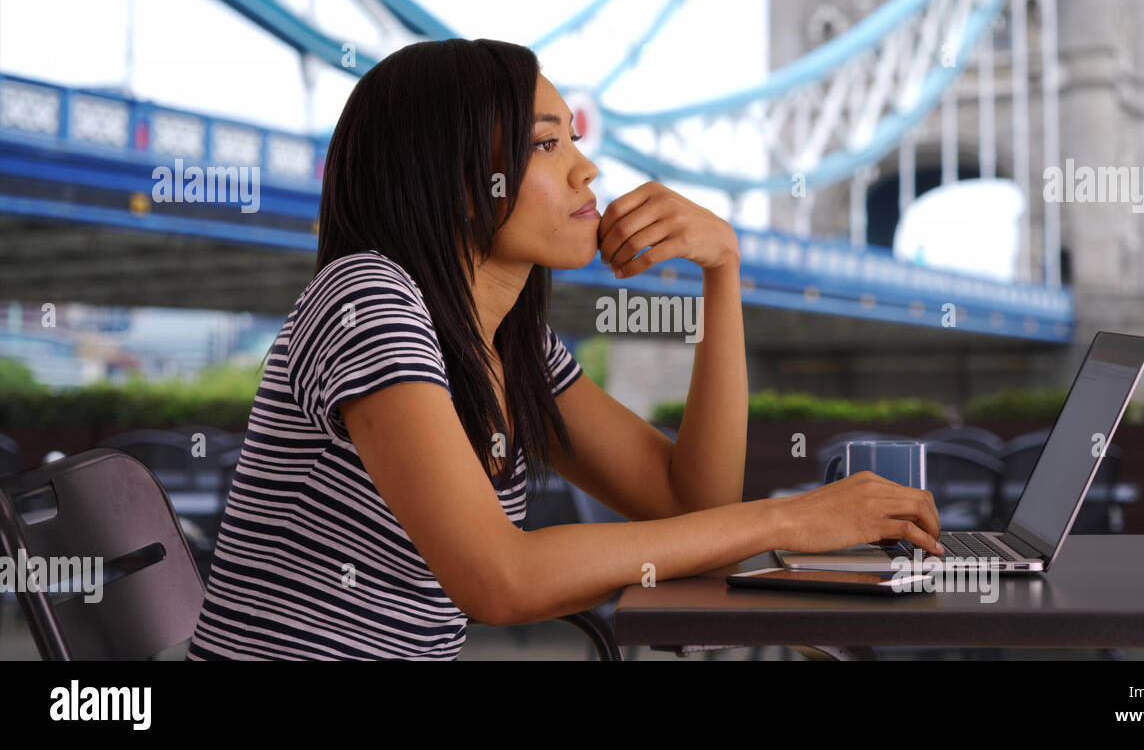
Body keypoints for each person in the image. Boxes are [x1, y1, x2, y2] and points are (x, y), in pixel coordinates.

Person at [186, 38, 941, 660]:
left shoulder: (516, 346)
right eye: (546, 143)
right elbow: (499, 580)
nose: (589, 170)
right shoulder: (367, 299)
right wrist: (788, 522)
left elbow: (690, 503)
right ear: (454, 177)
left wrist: (722, 272)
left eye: (573, 138)